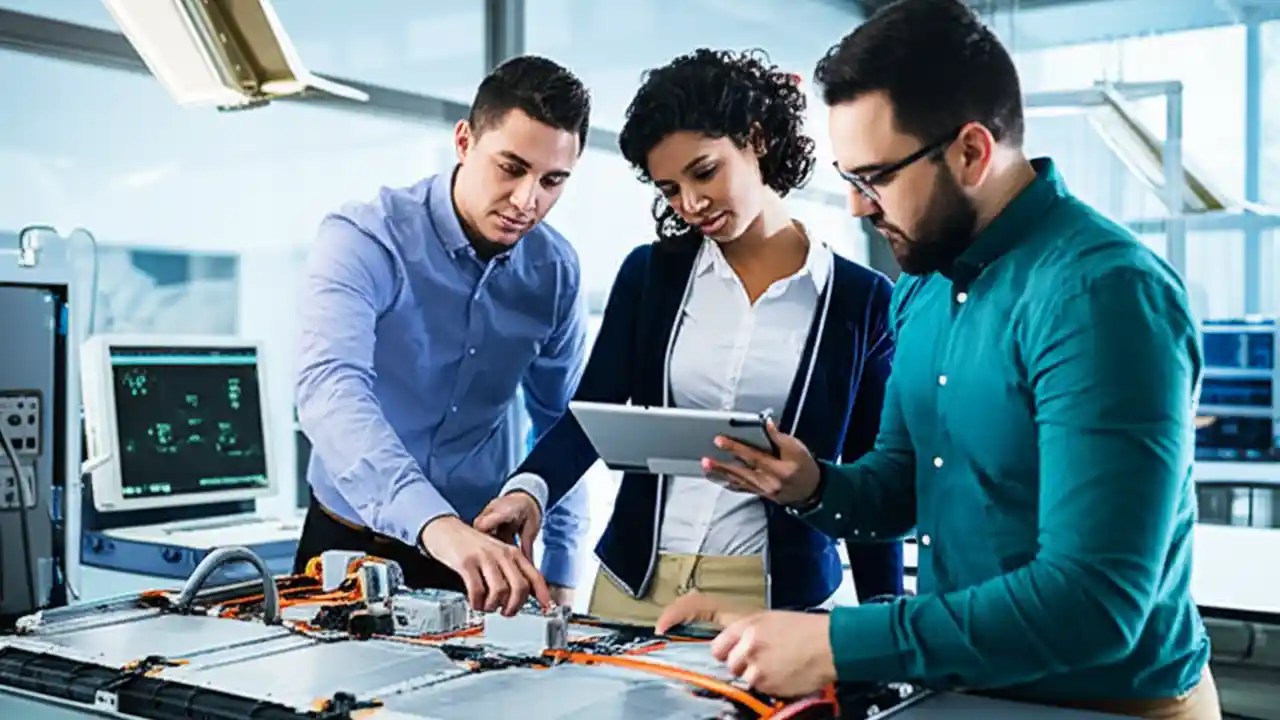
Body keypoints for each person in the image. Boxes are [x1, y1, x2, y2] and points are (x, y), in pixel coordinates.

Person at [656, 2, 1222, 719]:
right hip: (963, 690)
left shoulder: (1102, 293)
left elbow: (1094, 603)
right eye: (849, 180)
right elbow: (902, 486)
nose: (859, 209)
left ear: (971, 152)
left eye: (875, 179)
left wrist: (836, 639)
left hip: (1107, 706)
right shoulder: (920, 287)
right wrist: (810, 484)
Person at [474, 49, 904, 626]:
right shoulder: (651, 276)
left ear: (756, 139)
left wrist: (884, 617)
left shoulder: (862, 301)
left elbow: (866, 474)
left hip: (772, 601)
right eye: (670, 188)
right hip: (630, 584)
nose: (691, 204)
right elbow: (590, 415)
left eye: (704, 172)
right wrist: (531, 490)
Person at [294, 55, 594, 617]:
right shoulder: (364, 238)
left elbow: (564, 422)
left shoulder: (556, 271)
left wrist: (561, 568)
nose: (528, 201)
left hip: (481, 554)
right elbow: (330, 389)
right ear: (463, 141)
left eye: (552, 181)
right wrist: (435, 524)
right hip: (348, 542)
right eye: (511, 167)